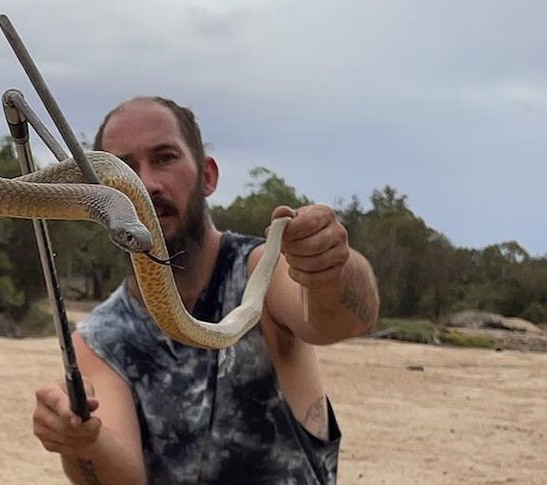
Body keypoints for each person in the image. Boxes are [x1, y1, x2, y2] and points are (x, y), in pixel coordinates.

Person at [32, 96, 379, 484]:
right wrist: (81, 440)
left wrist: (329, 269)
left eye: (164, 158)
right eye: (124, 168)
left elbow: (342, 321)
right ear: (98, 197)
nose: (145, 185)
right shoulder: (101, 338)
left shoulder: (262, 271)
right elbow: (123, 479)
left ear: (208, 176)